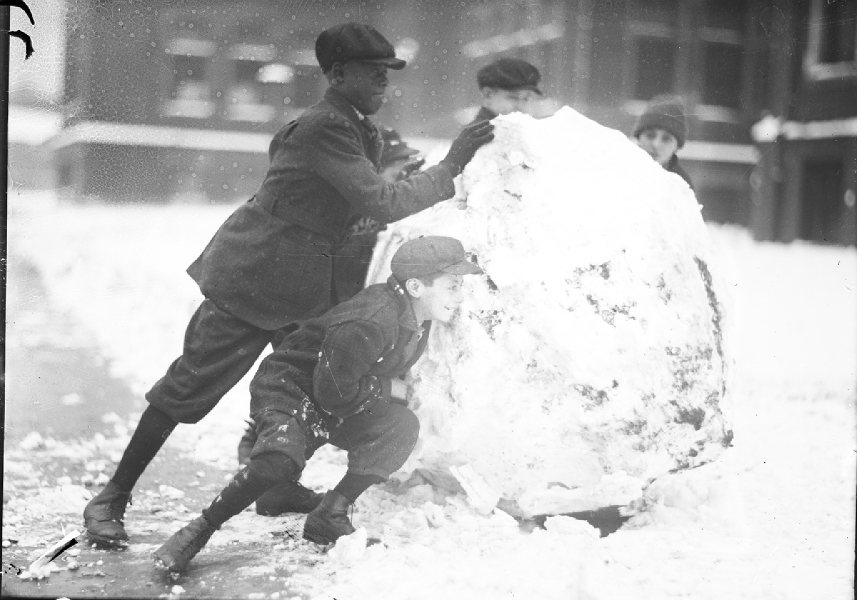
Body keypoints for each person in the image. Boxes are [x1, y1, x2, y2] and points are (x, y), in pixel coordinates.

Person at [82, 22, 494, 547]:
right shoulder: (325, 127)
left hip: (306, 286)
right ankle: (113, 495)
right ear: (337, 74)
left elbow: (381, 184)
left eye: (387, 76)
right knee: (188, 390)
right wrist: (452, 165)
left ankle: (276, 488)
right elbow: (381, 202)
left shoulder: (360, 127)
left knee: (302, 383)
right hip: (253, 278)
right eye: (371, 74)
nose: (382, 86)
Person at [152, 236, 484, 575]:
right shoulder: (372, 319)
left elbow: (343, 388)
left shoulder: (416, 315)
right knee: (278, 459)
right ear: (416, 286)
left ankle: (328, 514)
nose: (460, 297)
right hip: (291, 386)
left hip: (332, 389)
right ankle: (200, 528)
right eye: (452, 287)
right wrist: (388, 387)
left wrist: (386, 390)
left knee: (400, 427)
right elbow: (334, 396)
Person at [237, 128, 424, 518]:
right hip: (308, 308)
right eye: (396, 174)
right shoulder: (340, 209)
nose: (400, 186)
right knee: (305, 391)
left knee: (319, 390)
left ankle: (273, 476)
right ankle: (269, 468)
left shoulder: (371, 214)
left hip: (339, 315)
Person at [632, 94, 694, 190]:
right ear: (638, 137)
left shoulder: (682, 187)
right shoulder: (616, 170)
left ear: (677, 147)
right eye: (650, 135)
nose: (655, 144)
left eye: (666, 139)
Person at [471, 57, 543, 124]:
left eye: (526, 99)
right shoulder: (479, 135)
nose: (521, 106)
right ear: (488, 94)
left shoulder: (514, 130)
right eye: (514, 97)